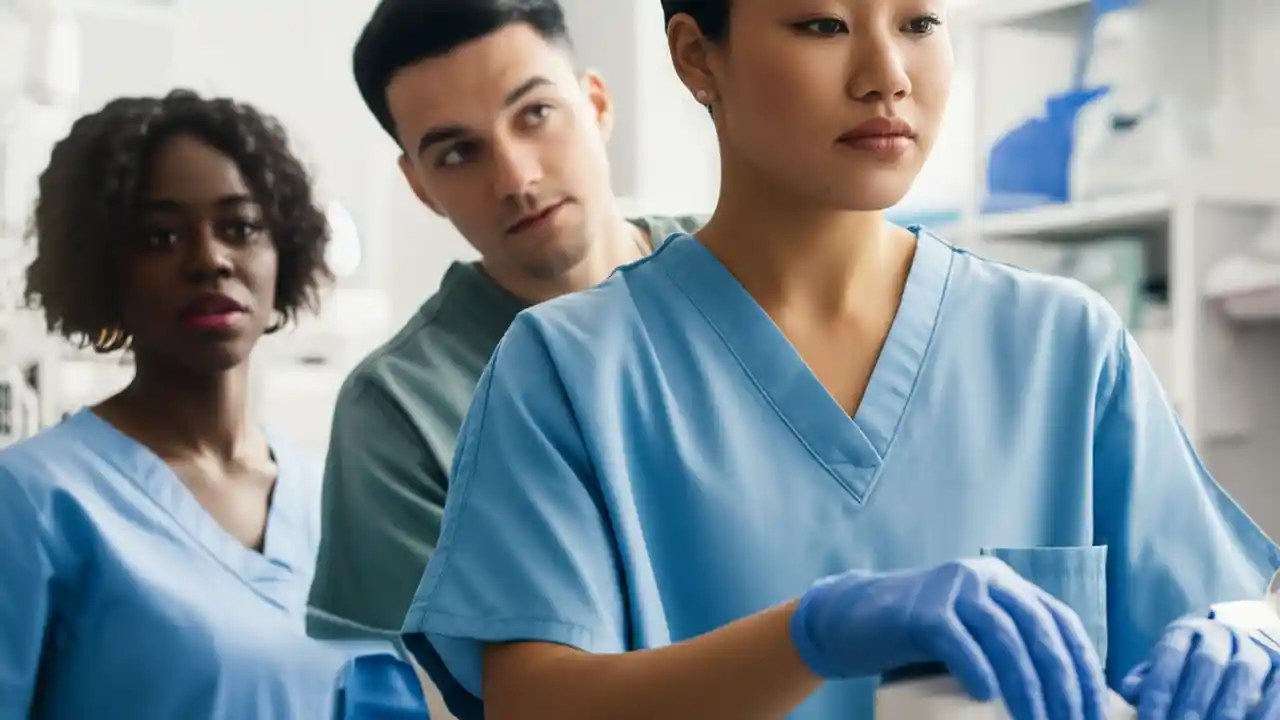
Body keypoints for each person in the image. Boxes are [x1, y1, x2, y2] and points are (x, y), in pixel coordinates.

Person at [397, 1, 1280, 719]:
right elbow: (534, 704)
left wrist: (1251, 633)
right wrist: (810, 636)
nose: (886, 75)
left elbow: (1214, 613)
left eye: (919, 23)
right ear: (698, 55)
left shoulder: (1065, 345)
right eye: (823, 24)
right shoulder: (568, 372)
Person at [306, 0, 704, 641]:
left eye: (536, 114)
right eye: (459, 153)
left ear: (596, 104)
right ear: (420, 187)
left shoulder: (752, 273)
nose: (516, 177)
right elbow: (413, 693)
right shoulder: (402, 411)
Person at [0, 90, 351, 719]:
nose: (211, 259)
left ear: (285, 252)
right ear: (103, 270)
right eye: (160, 237)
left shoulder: (330, 505)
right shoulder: (34, 500)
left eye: (240, 228)